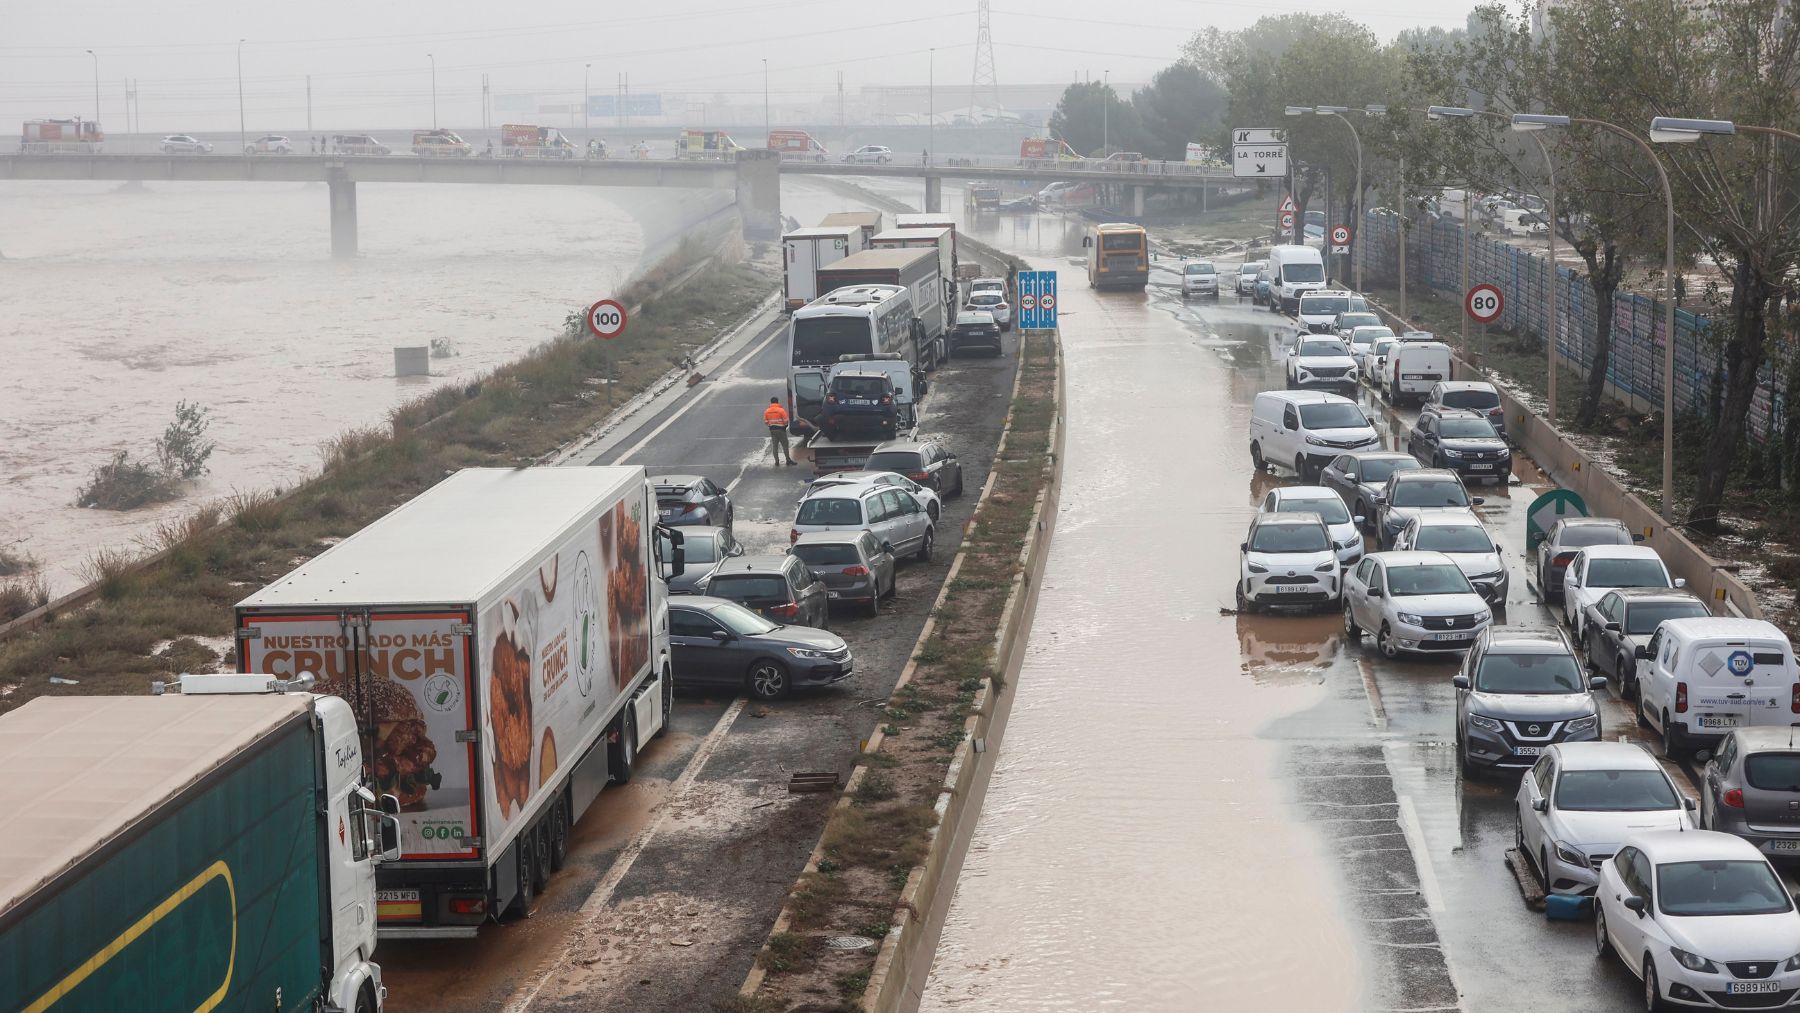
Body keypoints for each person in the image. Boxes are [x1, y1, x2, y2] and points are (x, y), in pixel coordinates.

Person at [763, 397, 793, 466]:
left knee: (775, 446)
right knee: (785, 445)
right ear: (777, 402)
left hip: (772, 430)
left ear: (771, 402)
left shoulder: (767, 411)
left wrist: (771, 425)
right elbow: (786, 420)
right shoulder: (781, 410)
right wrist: (785, 426)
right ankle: (788, 460)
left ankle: (777, 461)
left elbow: (766, 421)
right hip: (781, 430)